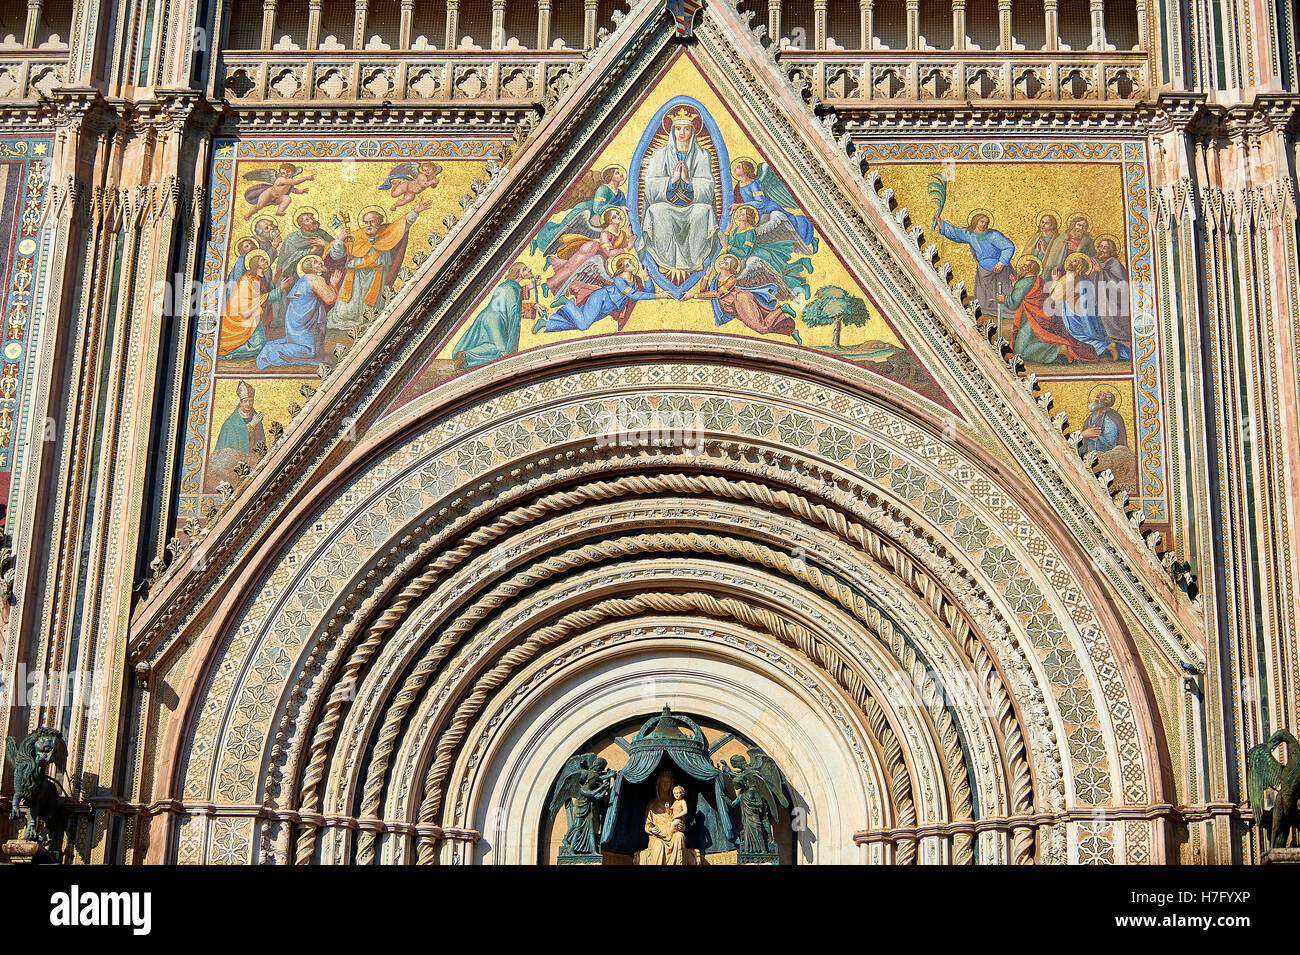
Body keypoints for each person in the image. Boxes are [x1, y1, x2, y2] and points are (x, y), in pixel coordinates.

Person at [326, 201, 432, 329]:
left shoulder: (386, 233)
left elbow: (402, 226)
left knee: (372, 307)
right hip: (354, 277)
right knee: (346, 311)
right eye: (366, 222)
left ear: (379, 221)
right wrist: (339, 239)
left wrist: (415, 212)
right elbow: (336, 255)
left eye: (372, 221)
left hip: (376, 276)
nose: (368, 225)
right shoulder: (354, 236)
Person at [641, 108, 718, 283]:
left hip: (692, 204)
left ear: (692, 131)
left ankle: (695, 259)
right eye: (678, 128)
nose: (682, 133)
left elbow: (708, 188)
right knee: (658, 210)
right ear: (672, 131)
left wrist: (689, 182)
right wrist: (671, 181)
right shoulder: (659, 154)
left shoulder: (702, 155)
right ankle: (664, 260)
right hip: (668, 203)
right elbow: (650, 186)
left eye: (686, 128)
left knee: (703, 211)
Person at [999, 257, 1096, 364]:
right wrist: (1015, 285)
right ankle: (1058, 349)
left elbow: (1013, 304)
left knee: (1020, 353)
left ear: (1030, 270)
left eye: (1025, 266)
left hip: (1032, 321)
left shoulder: (1023, 283)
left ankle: (1059, 349)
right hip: (1043, 319)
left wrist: (1004, 298)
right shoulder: (1039, 280)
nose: (1021, 267)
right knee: (1028, 343)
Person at [687, 253, 801, 342]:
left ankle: (783, 308)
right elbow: (704, 293)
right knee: (766, 318)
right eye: (723, 259)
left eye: (726, 261)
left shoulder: (732, 280)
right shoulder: (715, 280)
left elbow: (718, 294)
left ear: (730, 268)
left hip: (740, 301)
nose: (722, 260)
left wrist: (693, 295)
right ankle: (792, 332)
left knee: (762, 328)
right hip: (736, 308)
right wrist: (706, 276)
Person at [538, 253, 663, 334]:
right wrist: (659, 295)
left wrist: (646, 278)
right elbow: (634, 295)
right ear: (622, 268)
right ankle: (567, 302)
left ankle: (546, 323)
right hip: (600, 299)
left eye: (631, 262)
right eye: (627, 264)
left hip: (608, 308)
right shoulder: (619, 279)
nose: (631, 264)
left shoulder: (636, 280)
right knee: (583, 325)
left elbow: (648, 293)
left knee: (576, 322)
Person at [452, 263, 540, 368]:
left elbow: (507, 302)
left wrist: (528, 290)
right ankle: (468, 356)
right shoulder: (513, 288)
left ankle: (465, 354)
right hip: (496, 320)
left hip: (485, 316)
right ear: (518, 273)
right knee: (502, 352)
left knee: (490, 344)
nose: (529, 269)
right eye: (524, 269)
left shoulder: (505, 285)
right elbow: (513, 310)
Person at [257, 255, 336, 367]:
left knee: (307, 347)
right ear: (310, 268)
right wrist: (333, 284)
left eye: (318, 261)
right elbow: (330, 298)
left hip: (296, 323)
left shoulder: (303, 280)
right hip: (305, 323)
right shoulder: (315, 279)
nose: (320, 262)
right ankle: (269, 352)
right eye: (315, 262)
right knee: (309, 351)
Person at [531, 165, 627, 254]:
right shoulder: (604, 189)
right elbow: (597, 208)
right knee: (562, 228)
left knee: (573, 239)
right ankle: (538, 241)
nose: (621, 174)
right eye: (617, 173)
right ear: (610, 176)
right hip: (586, 211)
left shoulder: (620, 194)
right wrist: (617, 208)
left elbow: (624, 211)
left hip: (600, 221)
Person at [935, 211, 1015, 318]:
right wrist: (942, 225)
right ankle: (986, 308)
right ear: (976, 221)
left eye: (986, 223)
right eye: (982, 221)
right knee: (984, 295)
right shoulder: (970, 234)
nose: (984, 224)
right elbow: (956, 232)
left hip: (1000, 269)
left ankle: (1008, 307)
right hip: (984, 271)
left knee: (1002, 289)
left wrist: (1001, 262)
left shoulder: (993, 235)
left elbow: (1009, 246)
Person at [545, 206, 634, 295]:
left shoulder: (620, 233)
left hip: (600, 257)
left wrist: (628, 236)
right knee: (570, 269)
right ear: (609, 221)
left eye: (618, 215)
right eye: (614, 217)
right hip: (591, 250)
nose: (618, 217)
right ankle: (548, 285)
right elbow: (609, 252)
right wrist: (626, 249)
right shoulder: (605, 234)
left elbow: (619, 244)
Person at [1050, 251, 1110, 357]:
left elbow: (1056, 297)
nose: (1074, 261)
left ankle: (1105, 347)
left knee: (1079, 336)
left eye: (1078, 260)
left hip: (1073, 313)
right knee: (1081, 336)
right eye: (1073, 259)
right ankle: (1107, 347)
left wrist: (1055, 281)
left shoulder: (1070, 276)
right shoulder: (1084, 278)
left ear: (1082, 265)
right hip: (1080, 312)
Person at [217, 250, 270, 359]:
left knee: (260, 343)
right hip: (242, 317)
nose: (266, 261)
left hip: (254, 313)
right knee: (258, 344)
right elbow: (251, 301)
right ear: (257, 264)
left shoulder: (262, 277)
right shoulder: (248, 279)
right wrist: (278, 291)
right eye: (262, 260)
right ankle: (228, 354)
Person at [1091, 237, 1131, 360]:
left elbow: (1120, 282)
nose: (1102, 250)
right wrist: (1095, 272)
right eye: (1101, 247)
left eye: (1106, 247)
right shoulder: (1094, 262)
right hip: (1096, 295)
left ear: (1111, 250)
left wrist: (1102, 272)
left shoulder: (1114, 262)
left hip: (1112, 298)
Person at [642, 770, 693, 865]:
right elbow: (647, 825)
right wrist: (652, 829)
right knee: (659, 845)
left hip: (673, 834)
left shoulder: (677, 802)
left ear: (671, 784)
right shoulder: (652, 804)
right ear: (659, 783)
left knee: (680, 836)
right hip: (658, 837)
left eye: (668, 782)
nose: (666, 785)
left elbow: (682, 821)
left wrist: (682, 827)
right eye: (663, 782)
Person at [214, 380, 265, 454]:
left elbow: (261, 442)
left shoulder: (256, 418)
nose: (248, 404)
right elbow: (231, 445)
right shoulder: (230, 423)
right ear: (240, 402)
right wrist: (251, 425)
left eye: (251, 401)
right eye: (245, 401)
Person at [1043, 213, 1095, 278]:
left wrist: (1077, 250)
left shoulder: (1088, 242)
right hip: (1059, 271)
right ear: (1073, 225)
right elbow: (1052, 258)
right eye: (1079, 225)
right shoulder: (1061, 238)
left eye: (1084, 227)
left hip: (1078, 272)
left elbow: (1092, 258)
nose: (1081, 228)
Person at [1081, 388, 1129, 455]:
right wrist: (1083, 435)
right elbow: (1083, 445)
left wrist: (1092, 437)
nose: (1097, 396)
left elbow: (1110, 445)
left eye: (1102, 395)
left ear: (1108, 400)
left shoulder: (1112, 418)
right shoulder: (1090, 418)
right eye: (1098, 393)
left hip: (1108, 459)